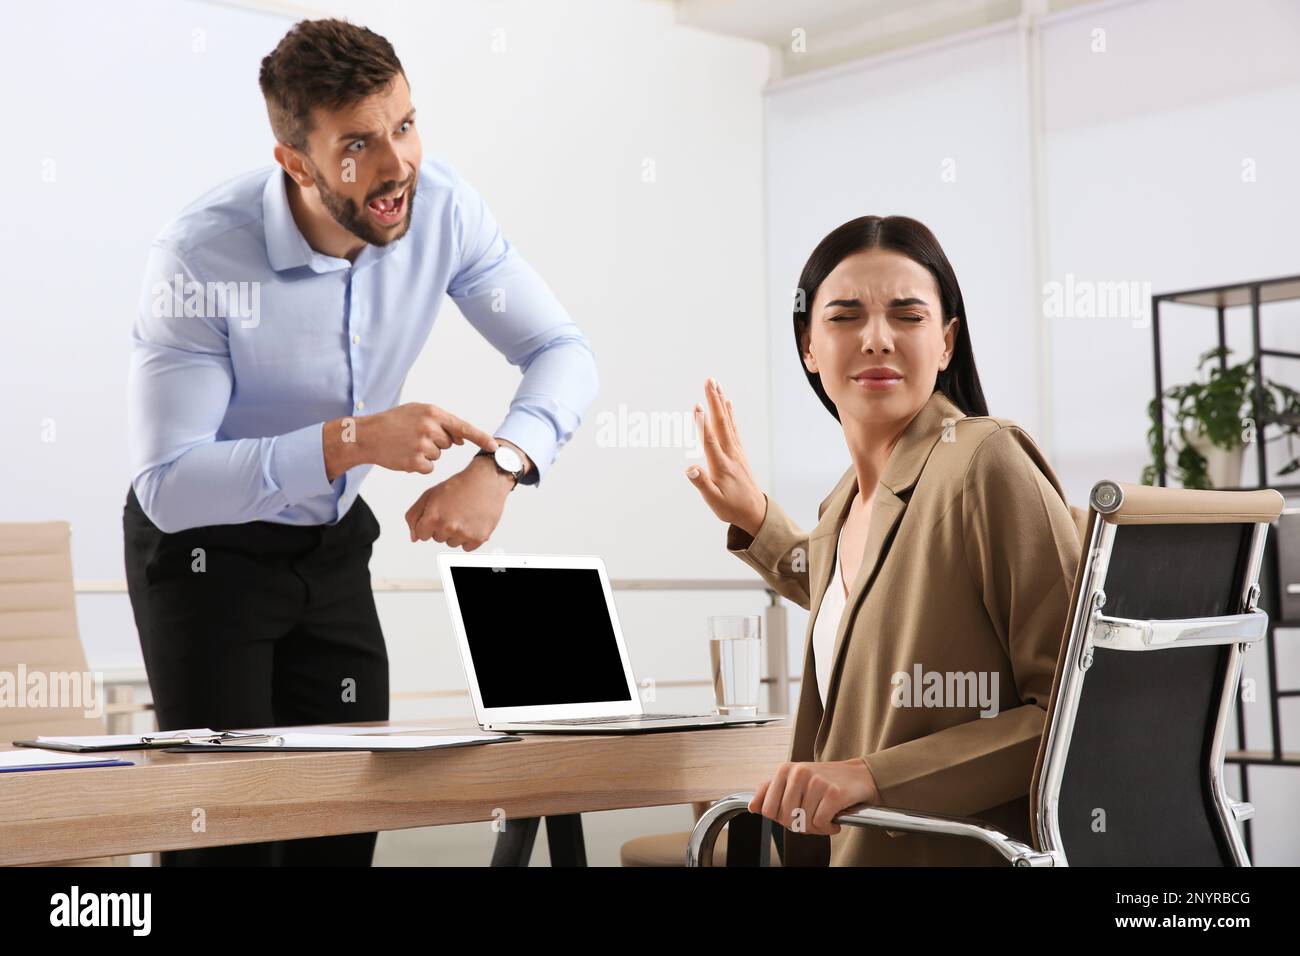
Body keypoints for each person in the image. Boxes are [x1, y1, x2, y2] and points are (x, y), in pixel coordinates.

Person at [123, 18, 597, 866]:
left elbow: (562, 351)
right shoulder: (199, 257)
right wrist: (349, 441)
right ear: (296, 162)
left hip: (332, 548)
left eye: (405, 125)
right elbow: (169, 482)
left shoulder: (443, 207)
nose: (396, 165)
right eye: (357, 146)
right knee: (224, 842)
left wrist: (503, 464)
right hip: (203, 560)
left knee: (345, 825)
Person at [686, 215, 1080, 865]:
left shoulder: (986, 461)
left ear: (947, 341)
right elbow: (867, 592)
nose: (875, 338)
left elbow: (1075, 715)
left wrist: (873, 776)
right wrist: (755, 517)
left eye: (907, 315)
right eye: (843, 316)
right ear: (809, 346)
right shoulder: (844, 500)